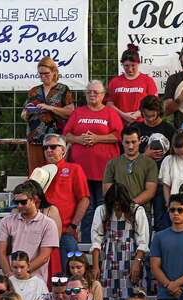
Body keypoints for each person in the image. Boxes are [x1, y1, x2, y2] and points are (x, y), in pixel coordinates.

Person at [64, 80, 124, 239]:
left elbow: (118, 136)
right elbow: (66, 134)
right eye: (89, 92)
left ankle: (104, 241)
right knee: (87, 207)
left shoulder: (110, 113)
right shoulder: (78, 113)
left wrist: (97, 138)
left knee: (104, 206)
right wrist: (78, 139)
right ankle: (87, 241)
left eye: (96, 92)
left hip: (104, 170)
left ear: (103, 95)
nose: (92, 95)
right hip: (82, 170)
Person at [0, 180, 59, 283]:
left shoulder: (48, 223)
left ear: (34, 200)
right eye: (16, 202)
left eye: (23, 202)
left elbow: (44, 257)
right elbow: (0, 252)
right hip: (12, 279)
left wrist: (20, 273)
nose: (19, 206)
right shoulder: (6, 221)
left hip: (36, 280)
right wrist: (10, 275)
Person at [40, 134, 91, 257]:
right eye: (45, 148)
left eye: (53, 147)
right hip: (41, 232)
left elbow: (84, 200)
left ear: (63, 149)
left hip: (65, 232)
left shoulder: (74, 169)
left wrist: (73, 225)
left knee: (70, 267)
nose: (48, 150)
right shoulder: (39, 171)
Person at [24, 57, 75, 172]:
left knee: (56, 171)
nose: (43, 76)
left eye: (46, 73)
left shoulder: (63, 89)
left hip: (55, 140)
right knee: (36, 173)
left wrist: (50, 108)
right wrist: (26, 113)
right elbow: (24, 112)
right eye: (40, 74)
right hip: (35, 139)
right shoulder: (34, 91)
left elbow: (70, 113)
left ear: (54, 72)